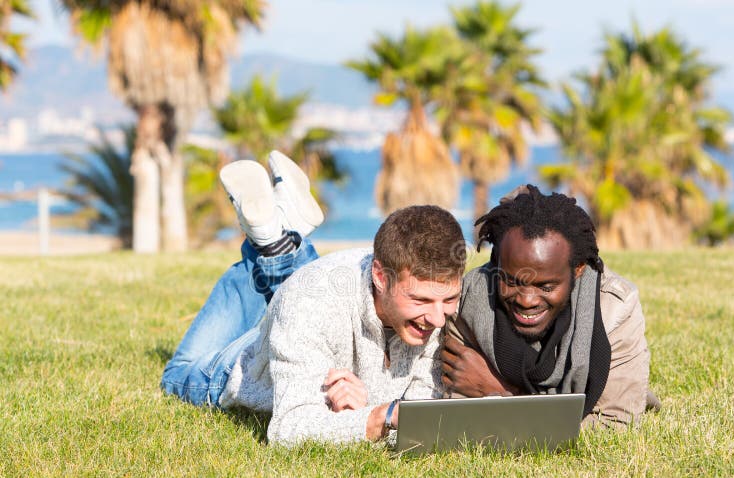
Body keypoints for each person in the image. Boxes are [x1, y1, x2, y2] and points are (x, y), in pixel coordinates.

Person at [161, 151, 466, 444]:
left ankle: (276, 236)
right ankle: (267, 240)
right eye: (421, 301)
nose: (438, 319)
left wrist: (365, 409)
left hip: (302, 328)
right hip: (238, 368)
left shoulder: (436, 307)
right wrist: (376, 418)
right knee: (176, 374)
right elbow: (289, 428)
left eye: (449, 299)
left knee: (302, 298)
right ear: (381, 277)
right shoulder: (308, 304)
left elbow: (422, 419)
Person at [441, 185, 658, 428]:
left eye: (545, 286)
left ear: (577, 270)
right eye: (511, 281)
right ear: (496, 264)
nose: (526, 300)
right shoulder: (467, 301)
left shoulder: (615, 307)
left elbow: (614, 424)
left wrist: (501, 394)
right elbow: (457, 417)